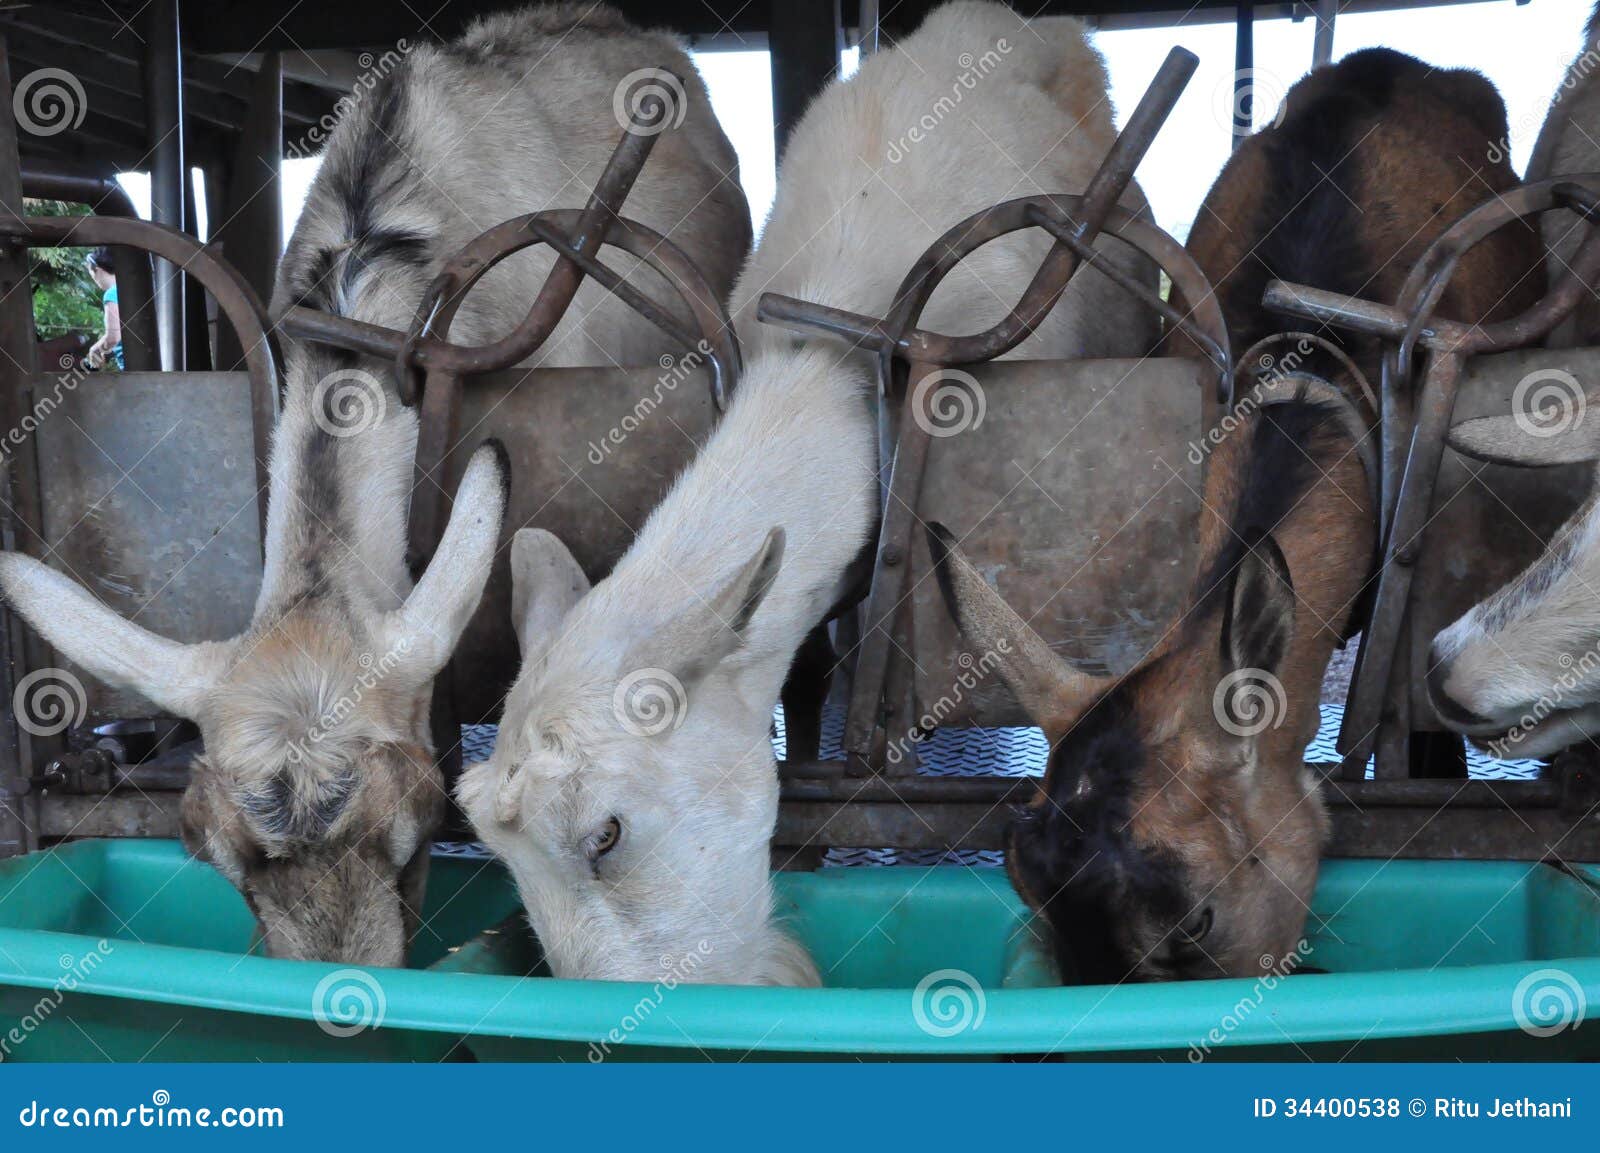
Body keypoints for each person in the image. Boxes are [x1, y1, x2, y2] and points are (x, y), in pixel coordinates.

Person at [84, 248, 122, 370]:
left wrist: (94, 350)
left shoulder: (111, 293)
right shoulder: (125, 290)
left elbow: (114, 337)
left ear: (97, 270)